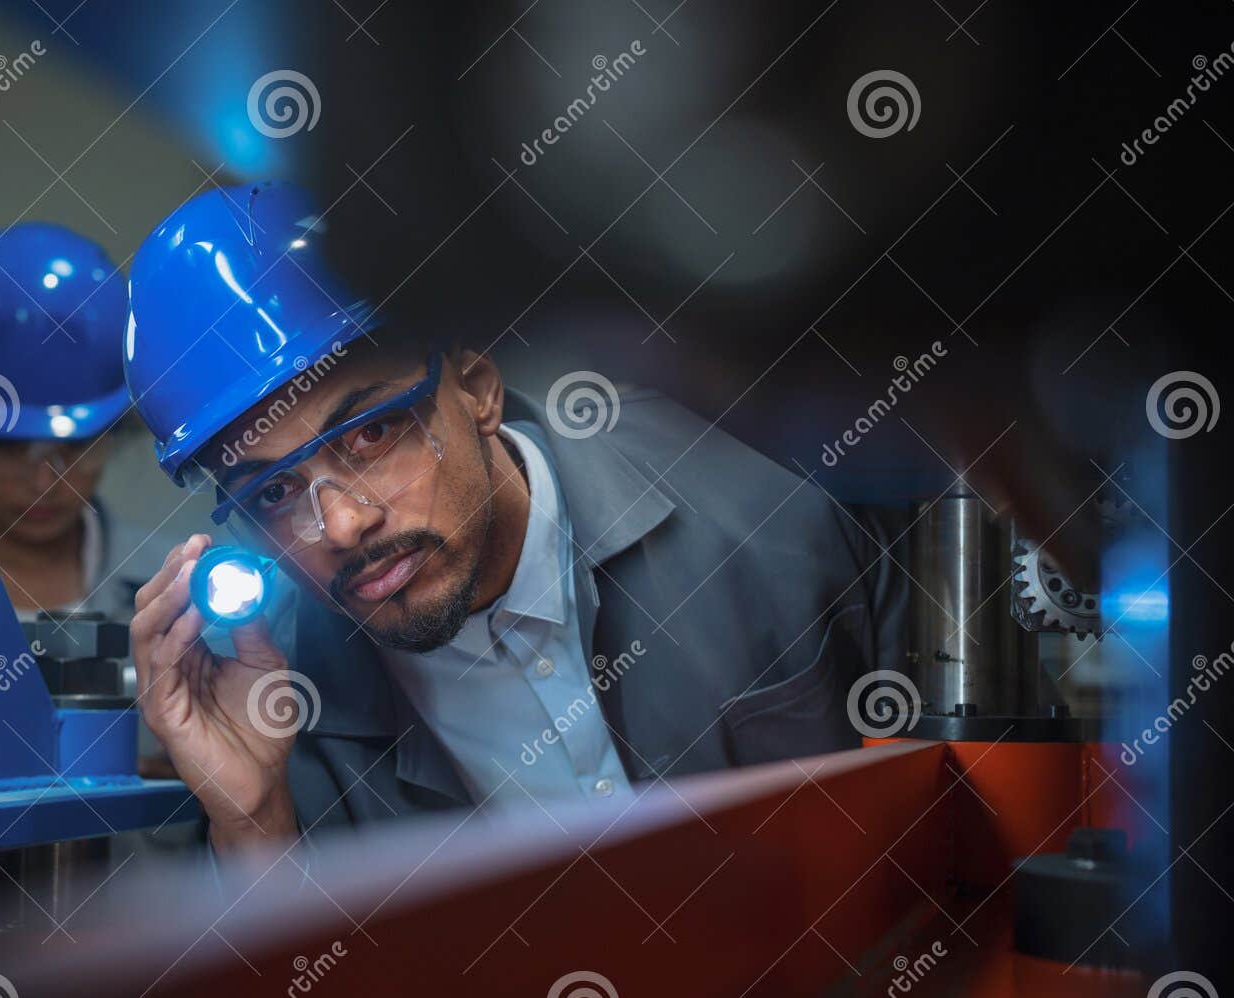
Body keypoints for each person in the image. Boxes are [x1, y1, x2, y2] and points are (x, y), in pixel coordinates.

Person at [122, 183, 907, 856]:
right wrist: (255, 819)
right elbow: (317, 988)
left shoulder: (764, 498)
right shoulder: (282, 712)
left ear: (476, 387)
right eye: (272, 493)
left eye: (372, 433)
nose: (343, 524)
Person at [0, 221, 169, 620]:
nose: (44, 483)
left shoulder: (178, 593)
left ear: (110, 433)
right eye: (9, 448)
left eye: (74, 447)